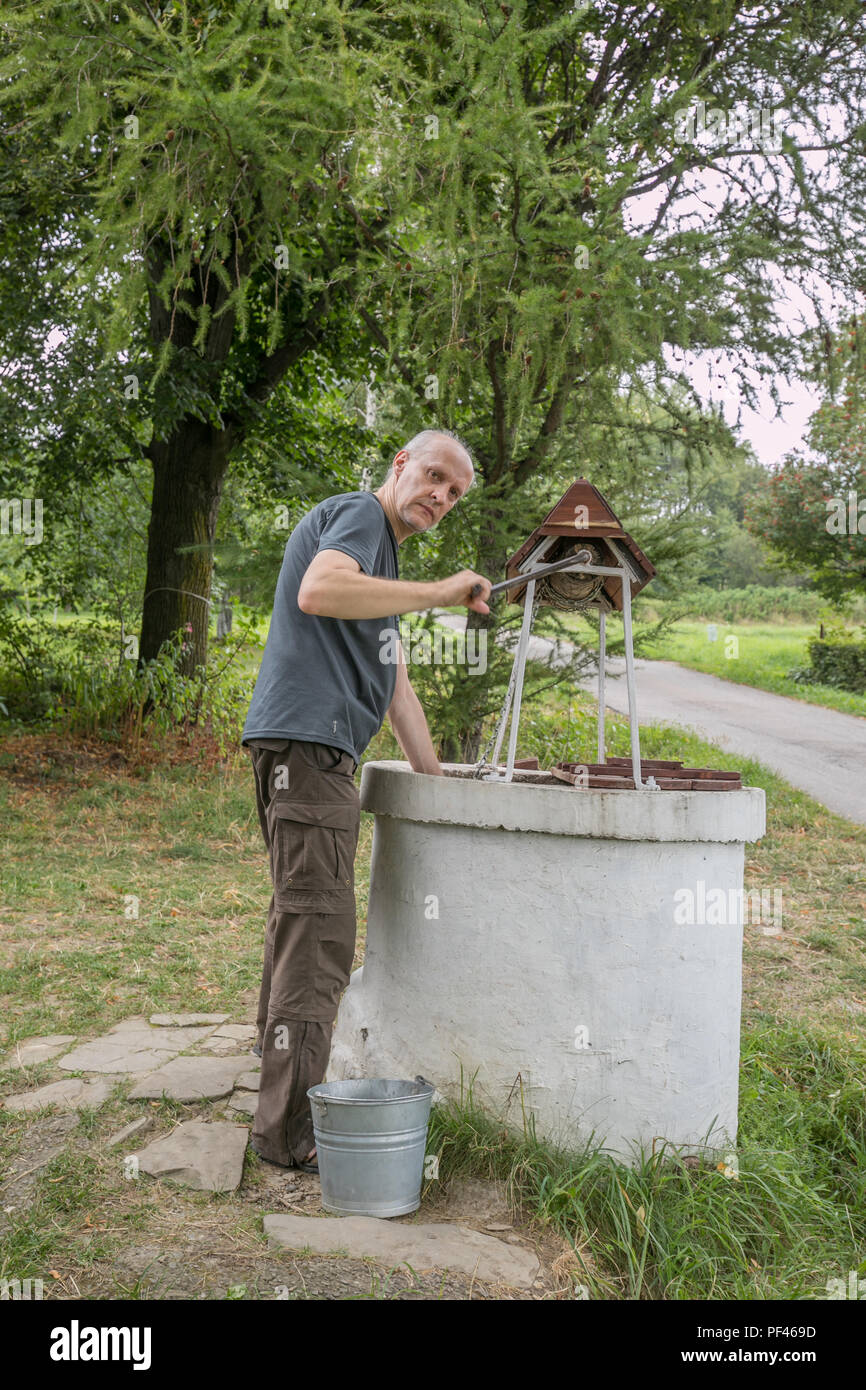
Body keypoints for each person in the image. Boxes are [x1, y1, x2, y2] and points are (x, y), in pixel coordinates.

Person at [241, 428, 492, 1172]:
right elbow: (318, 590)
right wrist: (439, 593)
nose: (441, 497)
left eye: (454, 493)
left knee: (301, 921)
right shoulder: (359, 517)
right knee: (320, 937)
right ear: (400, 465)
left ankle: (275, 1094)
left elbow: (395, 684)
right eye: (435, 477)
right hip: (310, 752)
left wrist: (437, 784)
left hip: (308, 751)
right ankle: (288, 1133)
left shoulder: (380, 559)